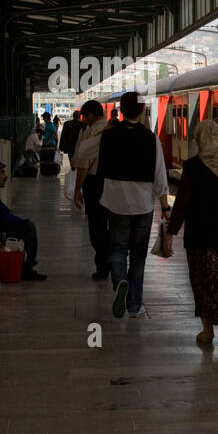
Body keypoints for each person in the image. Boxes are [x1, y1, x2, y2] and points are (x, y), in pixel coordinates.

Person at [164, 120, 218, 349]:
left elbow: (182, 202)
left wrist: (171, 232)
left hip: (200, 237)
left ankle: (207, 331)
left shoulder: (192, 166)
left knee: (202, 283)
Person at [98, 91, 169, 319]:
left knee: (117, 250)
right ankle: (134, 305)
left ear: (121, 110)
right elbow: (160, 175)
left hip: (116, 200)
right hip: (142, 203)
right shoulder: (150, 137)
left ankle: (120, 280)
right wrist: (165, 206)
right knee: (138, 255)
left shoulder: (107, 135)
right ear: (141, 111)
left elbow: (100, 167)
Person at [0, 161, 46, 281]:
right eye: (2, 173)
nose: (5, 177)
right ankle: (27, 268)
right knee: (29, 228)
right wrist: (22, 222)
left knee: (26, 226)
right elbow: (4, 217)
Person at [73, 100, 111, 280]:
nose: (84, 120)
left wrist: (77, 190)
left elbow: (83, 165)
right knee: (113, 225)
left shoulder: (89, 133)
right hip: (113, 184)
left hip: (94, 183)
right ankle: (115, 261)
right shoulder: (113, 129)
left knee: (97, 226)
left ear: (91, 115)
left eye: (85, 116)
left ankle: (102, 266)